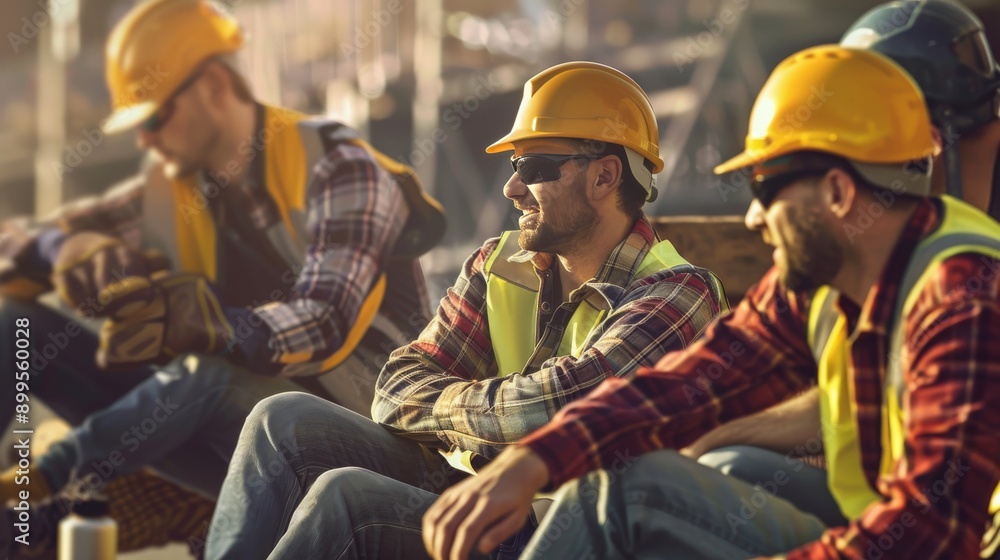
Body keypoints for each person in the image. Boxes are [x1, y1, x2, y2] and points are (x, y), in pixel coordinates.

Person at [424, 45, 1000, 560]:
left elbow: (929, 538)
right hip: (870, 520)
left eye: (764, 189)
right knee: (714, 470)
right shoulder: (825, 280)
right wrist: (539, 459)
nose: (752, 218)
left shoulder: (965, 301)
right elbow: (690, 382)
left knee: (629, 495)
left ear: (838, 193)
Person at [203, 60, 729, 560]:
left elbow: (563, 408)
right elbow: (395, 388)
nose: (512, 187)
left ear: (605, 178)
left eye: (536, 167)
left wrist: (458, 416)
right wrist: (491, 422)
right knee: (282, 419)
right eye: (513, 165)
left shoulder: (677, 295)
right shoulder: (497, 264)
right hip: (484, 495)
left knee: (349, 499)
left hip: (569, 535)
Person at [0, 0, 442, 555]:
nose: (146, 140)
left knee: (210, 369)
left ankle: (42, 486)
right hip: (227, 436)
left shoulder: (341, 167)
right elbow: (14, 245)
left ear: (212, 84)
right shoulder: (175, 191)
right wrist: (69, 247)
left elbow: (325, 319)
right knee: (14, 326)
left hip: (364, 445)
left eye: (156, 117)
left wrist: (214, 329)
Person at [683, 0, 1000, 539]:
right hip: (886, 515)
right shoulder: (874, 238)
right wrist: (721, 434)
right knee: (721, 471)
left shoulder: (965, 272)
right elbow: (854, 395)